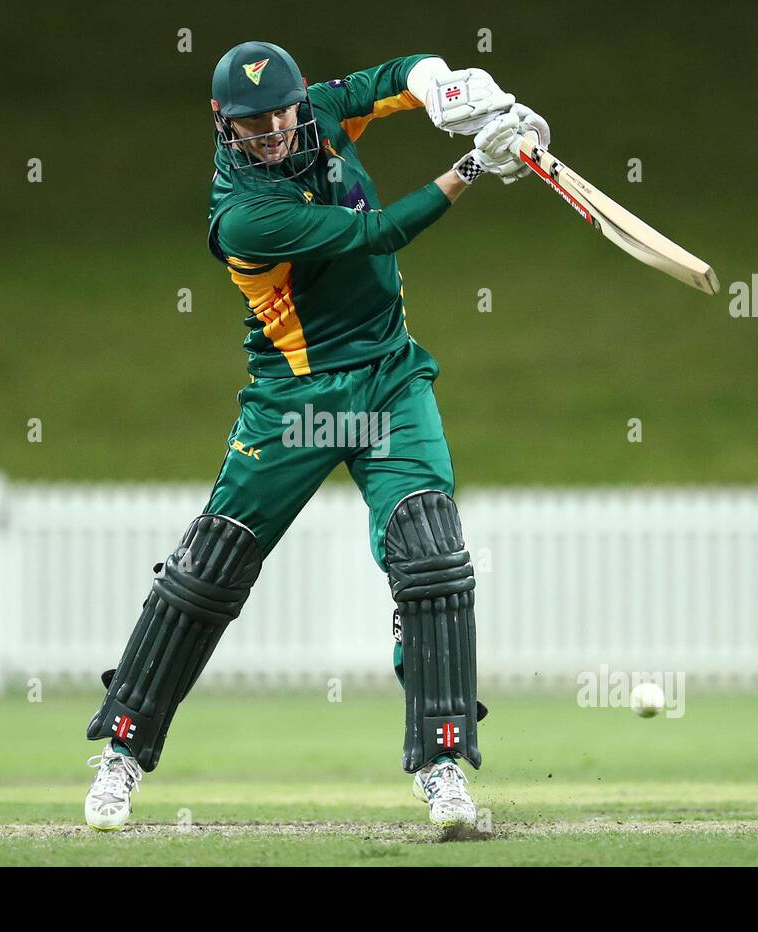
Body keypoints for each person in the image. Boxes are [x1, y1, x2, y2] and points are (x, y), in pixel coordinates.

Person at [84, 41, 548, 830]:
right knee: (209, 570)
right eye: (250, 123)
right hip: (296, 399)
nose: (269, 132)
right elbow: (378, 235)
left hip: (391, 380)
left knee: (432, 555)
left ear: (300, 99)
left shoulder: (322, 112)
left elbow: (403, 75)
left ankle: (442, 769)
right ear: (221, 123)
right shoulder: (243, 215)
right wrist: (475, 164)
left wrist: (460, 93)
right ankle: (121, 754)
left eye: (279, 114)